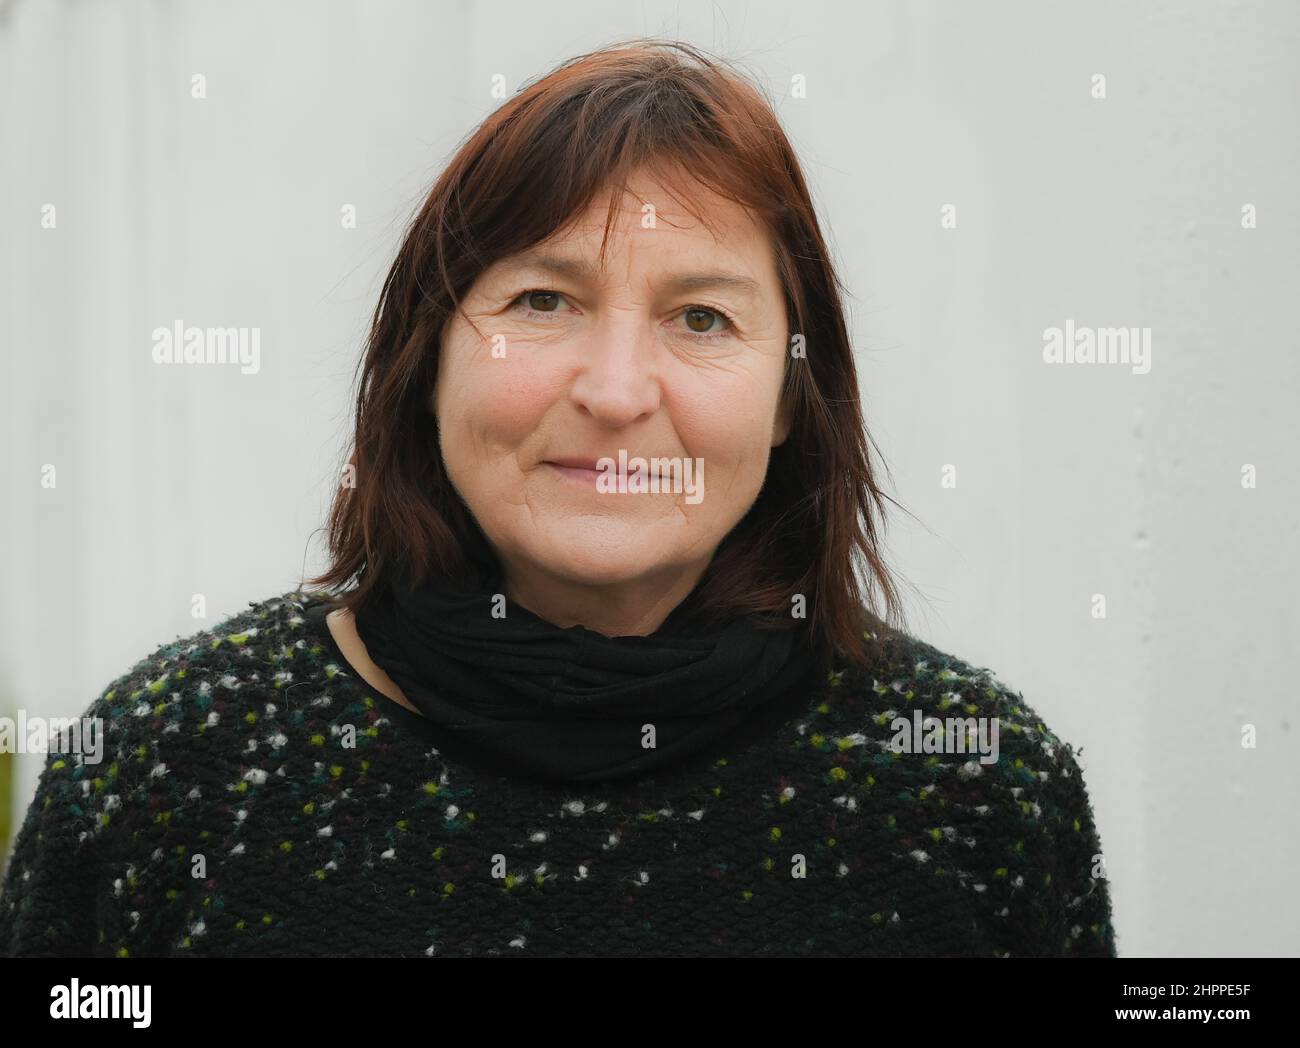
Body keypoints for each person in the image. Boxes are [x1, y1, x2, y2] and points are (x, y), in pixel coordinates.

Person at [0, 39, 1116, 958]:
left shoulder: (972, 785)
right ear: (426, 361)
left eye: (701, 318)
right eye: (542, 299)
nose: (617, 391)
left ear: (792, 396)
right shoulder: (172, 763)